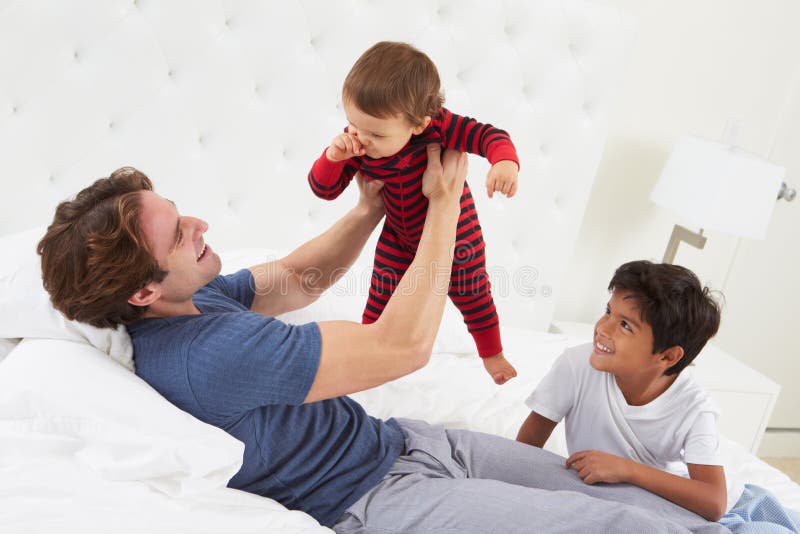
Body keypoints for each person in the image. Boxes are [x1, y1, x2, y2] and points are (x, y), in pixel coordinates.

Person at [38, 149, 725, 533]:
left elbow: (299, 278)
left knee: (631, 502)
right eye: (179, 233)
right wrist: (445, 208)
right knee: (610, 529)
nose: (200, 225)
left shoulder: (193, 297)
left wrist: (369, 206)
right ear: (141, 291)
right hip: (374, 501)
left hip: (408, 442)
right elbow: (402, 347)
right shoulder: (206, 355)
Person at [308, 41, 518, 385]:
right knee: (380, 296)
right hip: (399, 237)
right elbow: (324, 189)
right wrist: (332, 158)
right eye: (352, 124)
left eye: (376, 133)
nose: (361, 138)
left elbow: (488, 136)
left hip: (456, 237)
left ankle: (492, 353)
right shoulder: (357, 142)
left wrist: (504, 162)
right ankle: (367, 353)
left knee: (473, 294)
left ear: (419, 124)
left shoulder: (441, 127)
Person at [517, 261, 729, 521]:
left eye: (626, 325)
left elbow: (715, 502)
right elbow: (525, 448)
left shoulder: (694, 408)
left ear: (667, 356)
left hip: (653, 508)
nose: (602, 328)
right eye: (608, 312)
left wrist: (626, 470)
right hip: (588, 496)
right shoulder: (576, 365)